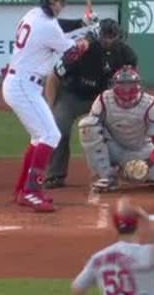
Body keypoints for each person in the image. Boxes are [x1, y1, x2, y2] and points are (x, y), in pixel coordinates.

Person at [4, 0, 94, 212]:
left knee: (39, 137)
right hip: (24, 84)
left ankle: (22, 189)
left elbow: (57, 25)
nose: (58, 4)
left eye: (62, 1)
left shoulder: (33, 14)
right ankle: (32, 192)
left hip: (22, 84)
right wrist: (89, 38)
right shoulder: (48, 27)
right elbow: (73, 52)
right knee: (50, 135)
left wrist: (81, 23)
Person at [45, 17, 137, 188]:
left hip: (103, 97)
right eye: (105, 36)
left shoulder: (126, 54)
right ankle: (55, 175)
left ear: (118, 36)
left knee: (119, 127)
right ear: (98, 35)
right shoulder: (80, 50)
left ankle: (114, 171)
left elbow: (131, 82)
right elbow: (54, 77)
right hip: (72, 95)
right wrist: (50, 107)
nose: (109, 40)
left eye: (113, 36)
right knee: (58, 128)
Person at [79, 66, 154, 194]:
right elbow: (92, 128)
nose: (126, 89)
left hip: (141, 150)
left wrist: (147, 164)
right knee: (87, 125)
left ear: (138, 86)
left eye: (130, 85)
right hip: (113, 147)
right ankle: (106, 176)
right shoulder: (103, 99)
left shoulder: (150, 104)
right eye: (122, 85)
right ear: (114, 85)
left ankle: (142, 176)